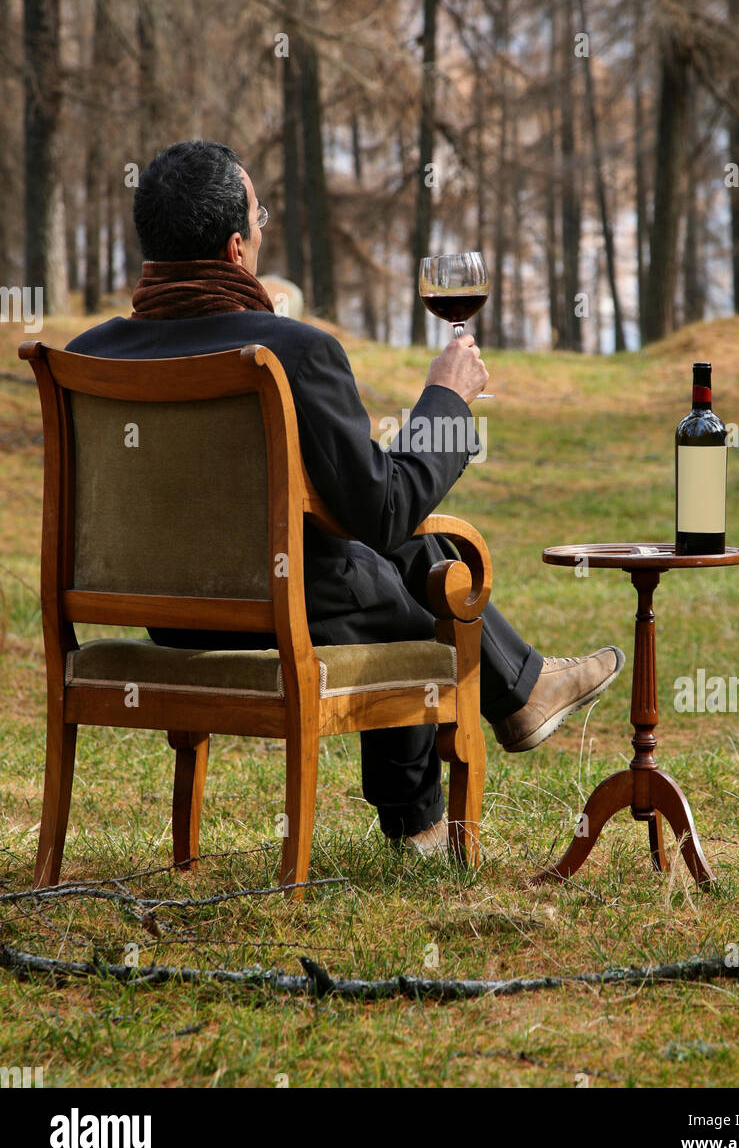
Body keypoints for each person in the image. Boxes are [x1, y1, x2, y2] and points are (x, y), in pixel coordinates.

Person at [65, 141, 624, 855]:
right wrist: (446, 401)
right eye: (259, 216)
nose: (263, 231)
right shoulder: (291, 353)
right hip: (286, 608)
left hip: (164, 622)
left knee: (408, 553)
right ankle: (441, 796)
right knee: (418, 575)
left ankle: (522, 693)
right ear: (237, 247)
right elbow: (383, 509)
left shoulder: (87, 355)